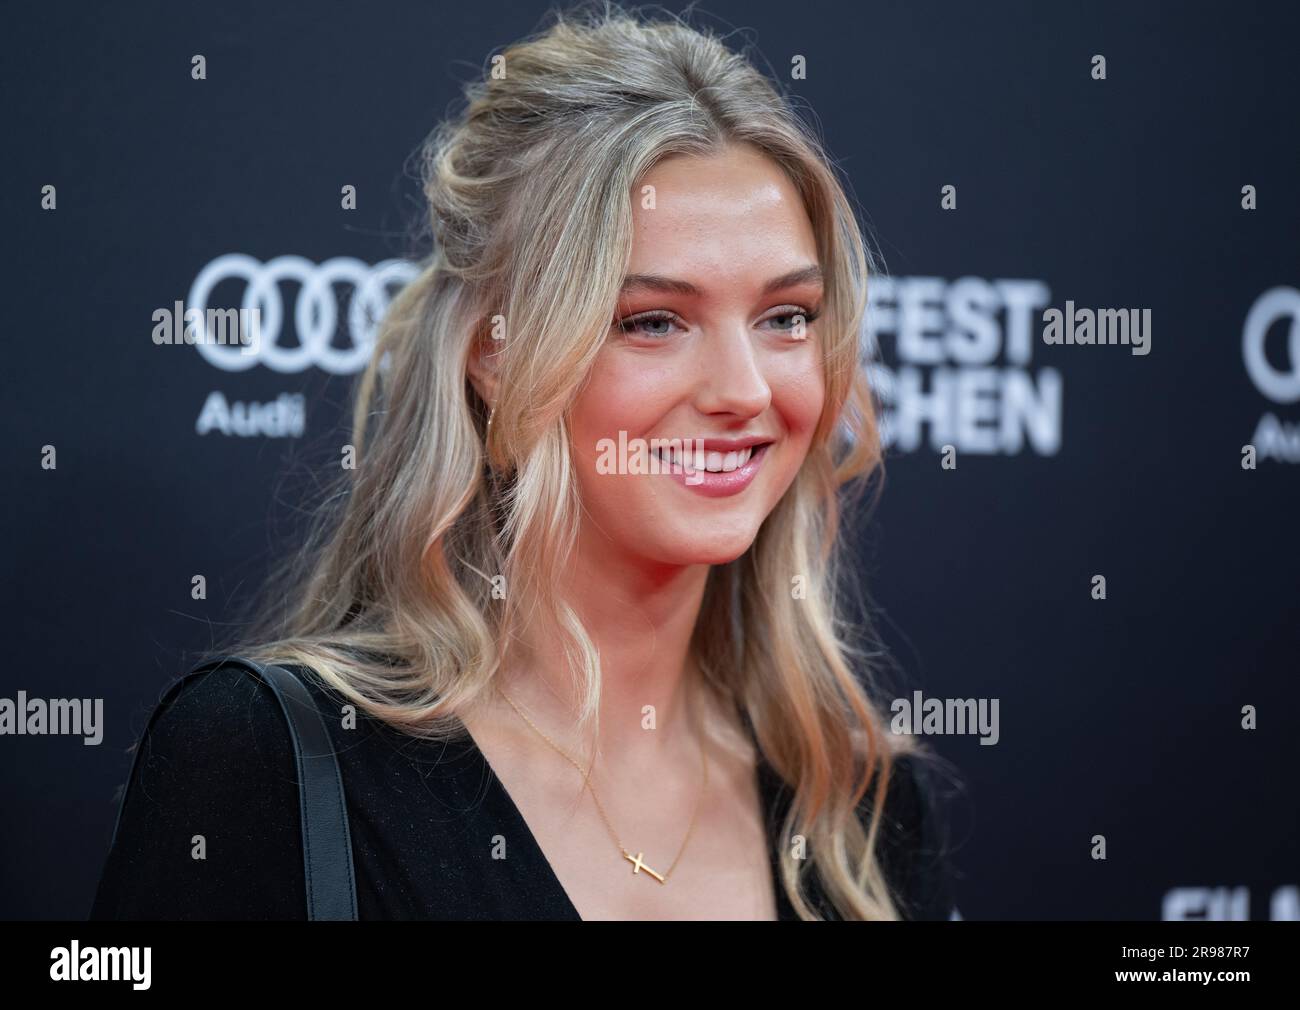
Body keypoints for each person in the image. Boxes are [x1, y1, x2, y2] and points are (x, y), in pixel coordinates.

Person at [91, 3, 958, 921]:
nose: (745, 388)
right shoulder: (267, 764)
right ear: (494, 353)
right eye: (653, 320)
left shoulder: (854, 812)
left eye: (786, 317)